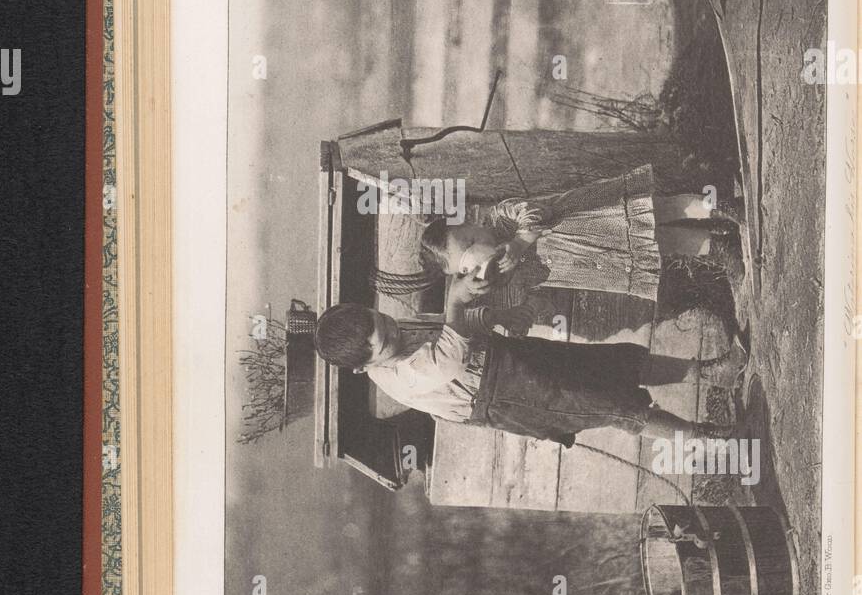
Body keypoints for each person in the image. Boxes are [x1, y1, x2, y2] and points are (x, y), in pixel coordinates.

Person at [313, 276, 731, 448]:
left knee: (612, 362)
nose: (391, 330)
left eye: (380, 320)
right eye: (381, 341)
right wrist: (456, 298)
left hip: (510, 357)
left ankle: (709, 372)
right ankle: (706, 436)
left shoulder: (401, 329)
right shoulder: (397, 380)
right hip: (508, 397)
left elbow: (454, 327)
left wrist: (492, 315)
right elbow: (449, 358)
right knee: (613, 407)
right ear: (363, 366)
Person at [420, 164, 740, 304]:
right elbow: (516, 289)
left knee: (664, 209)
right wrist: (488, 284)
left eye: (470, 243)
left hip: (598, 216)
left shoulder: (501, 215)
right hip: (597, 258)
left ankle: (719, 207)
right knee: (662, 245)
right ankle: (717, 249)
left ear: (472, 226)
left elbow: (536, 212)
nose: (474, 260)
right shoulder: (502, 272)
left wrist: (519, 242)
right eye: (464, 268)